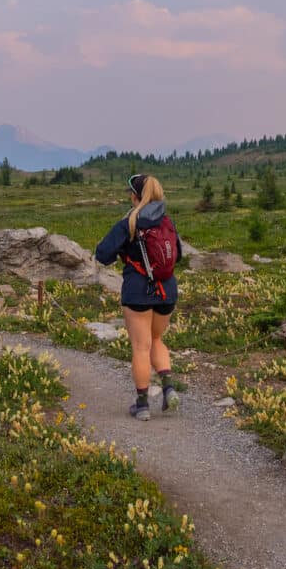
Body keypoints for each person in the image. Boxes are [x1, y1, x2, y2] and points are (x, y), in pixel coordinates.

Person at [94, 173, 182, 421]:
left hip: (137, 291)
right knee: (157, 338)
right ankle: (168, 388)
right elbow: (179, 255)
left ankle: (142, 405)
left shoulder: (129, 223)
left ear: (135, 196)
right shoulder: (167, 222)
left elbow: (102, 254)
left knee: (140, 347)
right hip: (167, 291)